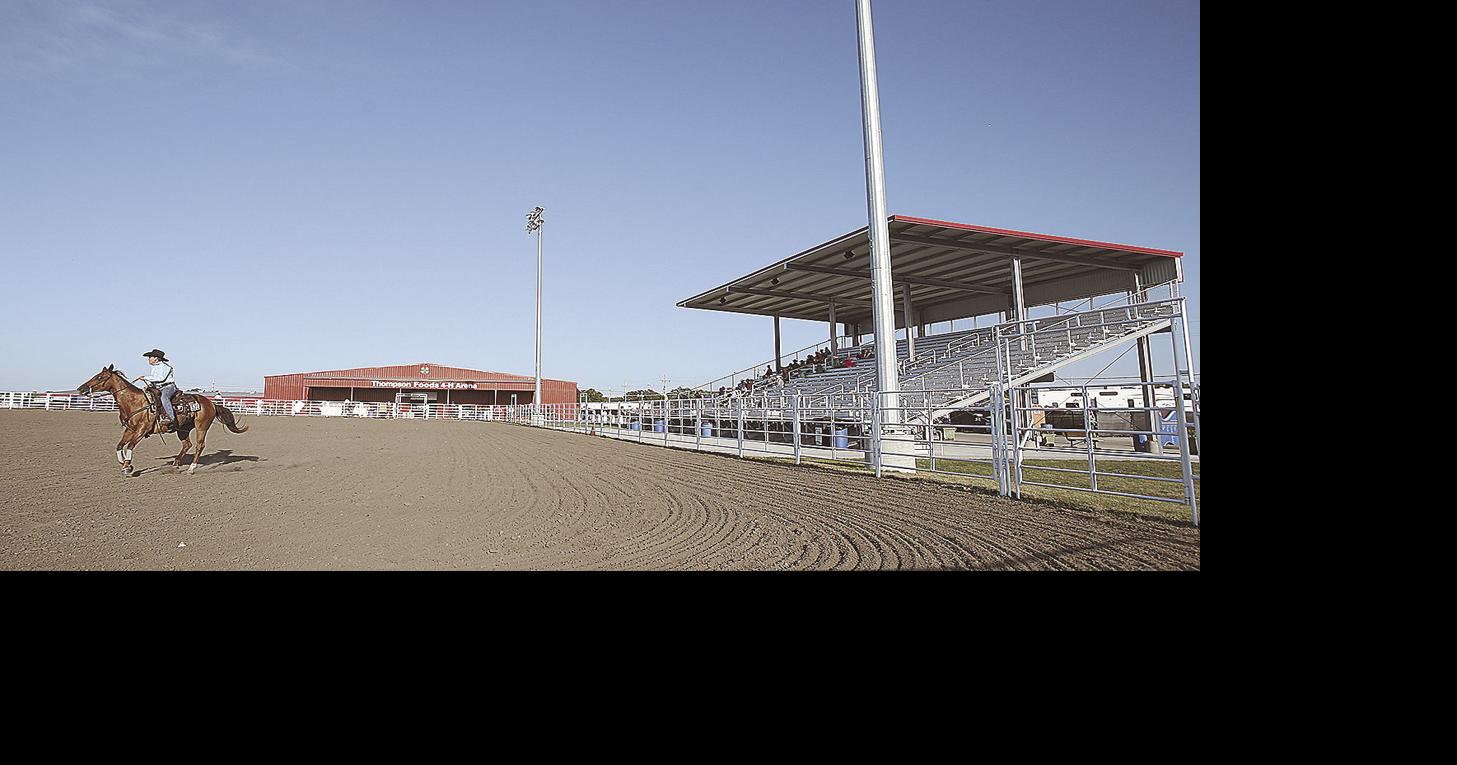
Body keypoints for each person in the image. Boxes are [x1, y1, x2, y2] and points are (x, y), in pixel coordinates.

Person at [134, 348, 177, 427]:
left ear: (156, 358)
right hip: (158, 387)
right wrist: (148, 385)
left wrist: (145, 377)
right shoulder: (154, 367)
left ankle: (171, 417)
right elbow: (154, 379)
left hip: (168, 386)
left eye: (150, 357)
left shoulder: (165, 367)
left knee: (164, 398)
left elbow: (161, 378)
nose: (149, 359)